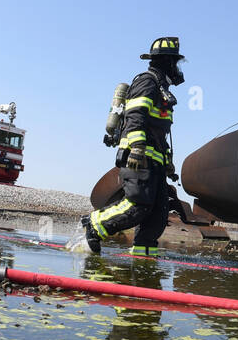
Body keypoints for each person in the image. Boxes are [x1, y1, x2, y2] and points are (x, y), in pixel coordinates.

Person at [78, 37, 185, 255]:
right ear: (167, 61)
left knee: (157, 214)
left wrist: (168, 163)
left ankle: (143, 256)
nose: (178, 68)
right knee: (138, 205)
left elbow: (159, 132)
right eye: (176, 62)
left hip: (154, 160)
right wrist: (136, 147)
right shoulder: (147, 81)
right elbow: (136, 115)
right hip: (139, 156)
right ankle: (95, 223)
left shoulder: (161, 87)